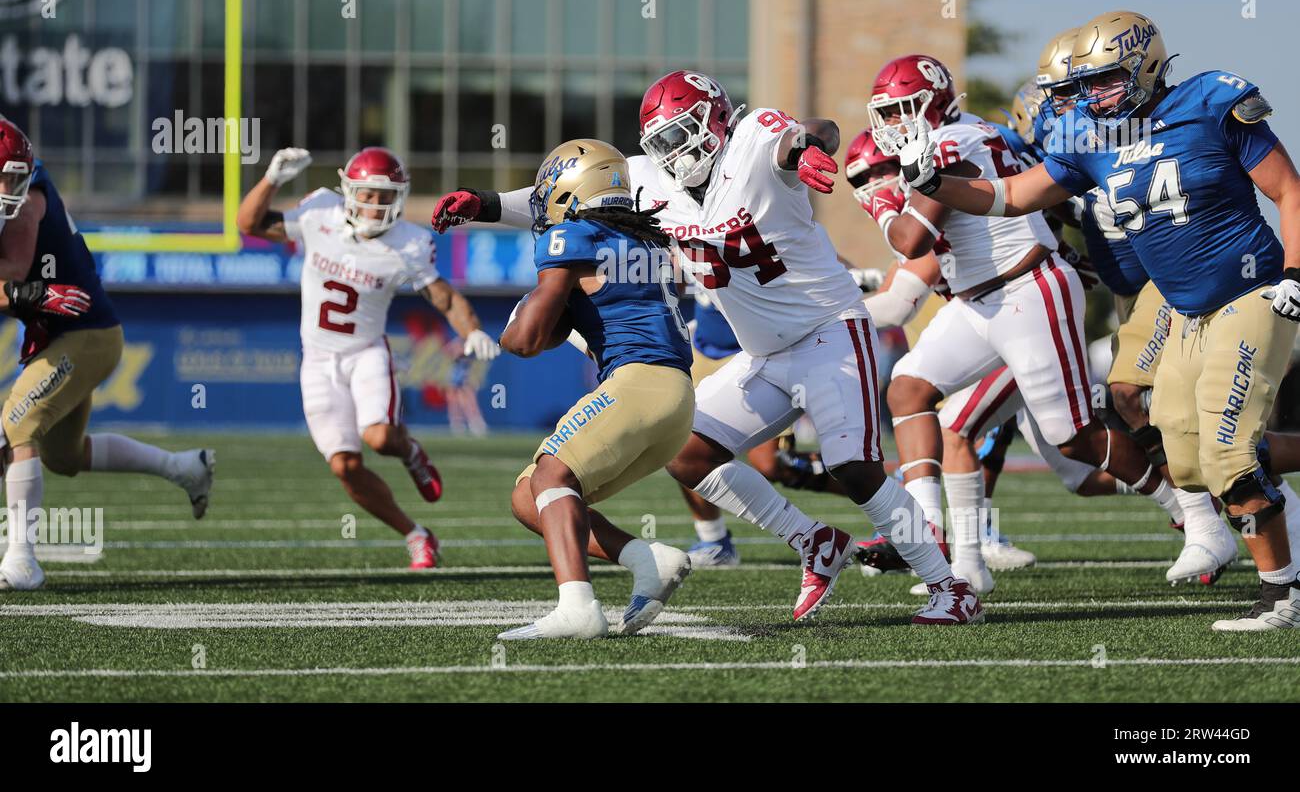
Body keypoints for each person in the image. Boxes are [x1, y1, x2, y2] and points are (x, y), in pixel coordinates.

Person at [433, 70, 983, 625]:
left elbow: (811, 130)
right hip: (764, 353)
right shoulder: (651, 179)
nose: (675, 152)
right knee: (688, 453)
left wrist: (810, 149)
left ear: (718, 120)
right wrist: (482, 203)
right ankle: (812, 539)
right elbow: (568, 198)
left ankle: (950, 587)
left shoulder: (753, 141)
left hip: (830, 331)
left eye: (683, 134)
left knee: (857, 470)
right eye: (663, 142)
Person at [898, 10, 1300, 631]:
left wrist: (1297, 273)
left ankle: (1284, 594)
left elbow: (1289, 192)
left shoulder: (1209, 100)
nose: (1093, 96)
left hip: (1250, 292)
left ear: (1144, 64)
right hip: (1179, 306)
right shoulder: (1089, 137)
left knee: (1225, 455)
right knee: (1186, 460)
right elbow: (1011, 197)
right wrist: (934, 180)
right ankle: (1265, 540)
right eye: (1087, 84)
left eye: (1108, 80)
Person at [237, 145, 500, 570]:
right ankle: (416, 534)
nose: (375, 205)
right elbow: (248, 223)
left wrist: (471, 331)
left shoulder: (409, 243)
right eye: (367, 194)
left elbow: (444, 297)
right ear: (347, 190)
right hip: (318, 360)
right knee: (345, 465)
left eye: (385, 196)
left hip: (366, 353)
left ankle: (411, 453)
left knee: (380, 438)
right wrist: (273, 178)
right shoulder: (319, 213)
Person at [0, 118, 215, 592]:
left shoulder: (27, 204)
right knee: (65, 456)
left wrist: (30, 295)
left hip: (85, 335)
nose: (8, 188)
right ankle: (183, 467)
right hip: (59, 336)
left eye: (12, 176)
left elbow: (8, 283)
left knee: (15, 425)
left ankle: (22, 559)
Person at [497, 139, 696, 639]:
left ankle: (578, 608)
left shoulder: (572, 236)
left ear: (571, 189)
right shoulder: (649, 239)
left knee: (551, 474)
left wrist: (526, 310)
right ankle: (649, 560)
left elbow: (524, 342)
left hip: (638, 382)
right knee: (530, 497)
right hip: (675, 401)